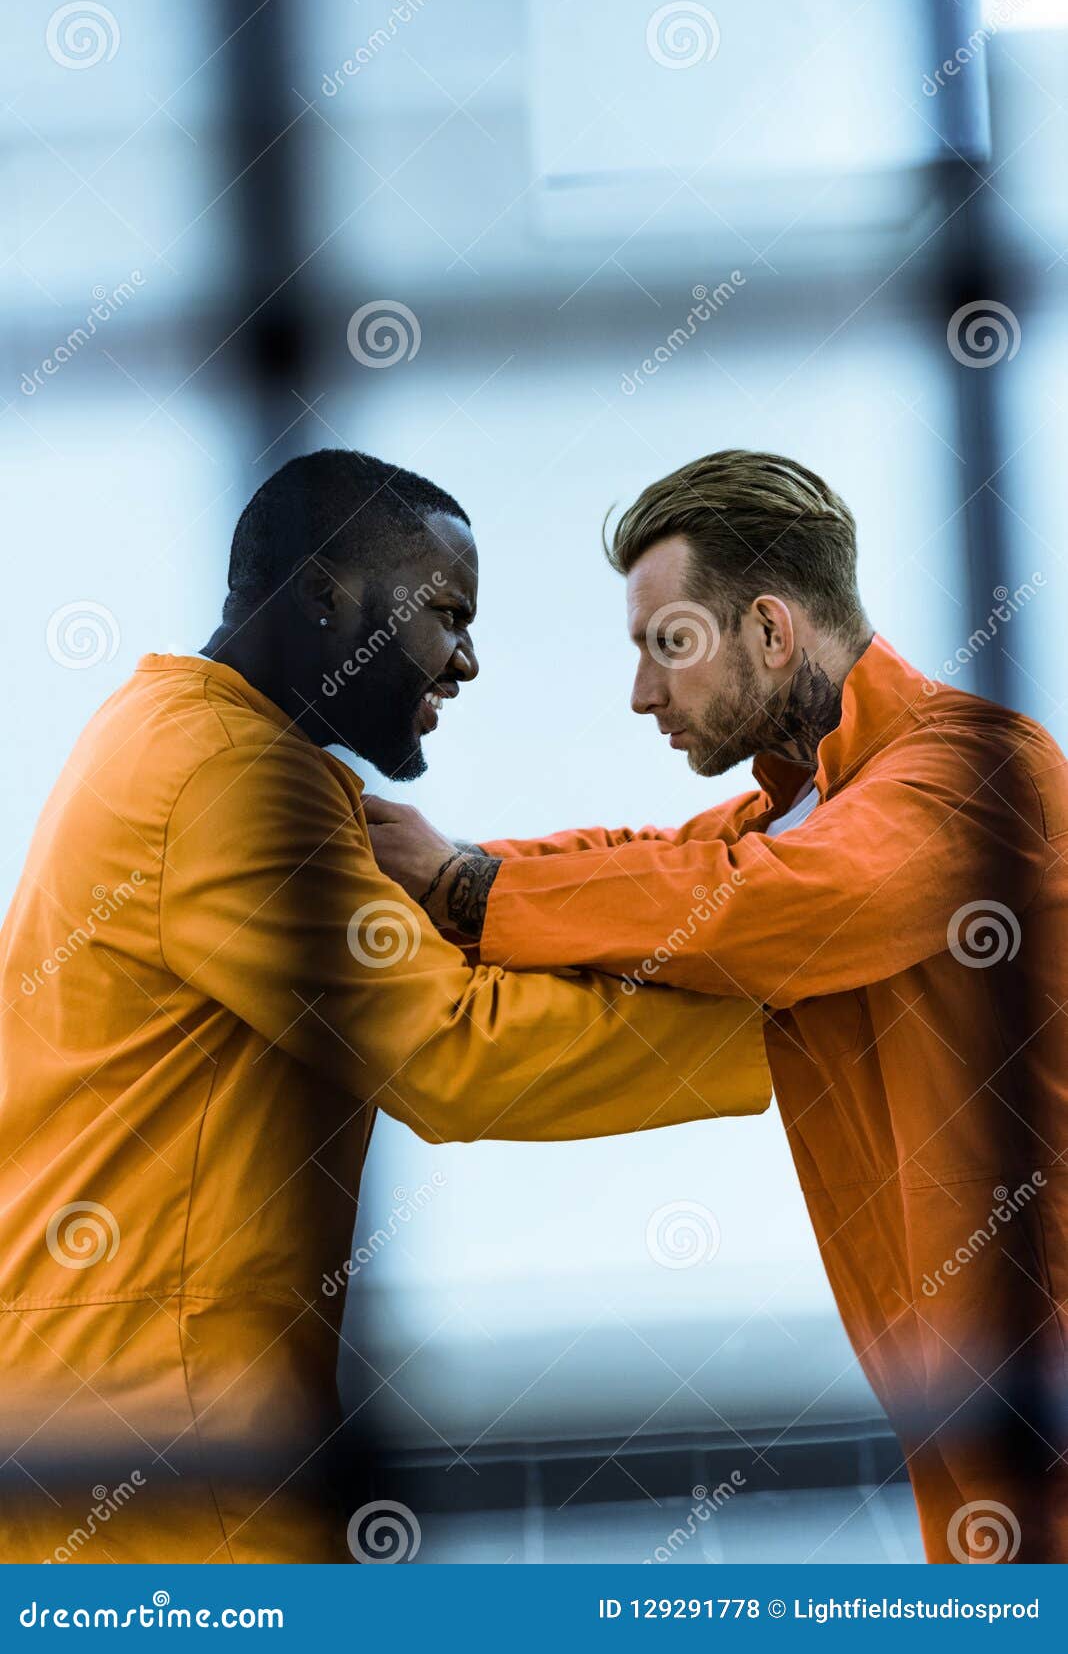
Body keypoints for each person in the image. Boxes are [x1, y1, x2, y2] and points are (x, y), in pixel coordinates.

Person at [0, 450, 770, 1565]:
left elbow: (426, 976)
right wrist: (802, 1035)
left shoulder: (168, 730)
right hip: (157, 1437)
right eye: (447, 614)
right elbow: (458, 1054)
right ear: (325, 597)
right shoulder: (230, 777)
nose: (465, 661)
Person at [366, 448, 1068, 1565]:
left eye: (668, 645)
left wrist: (470, 888)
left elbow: (779, 902)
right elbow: (647, 860)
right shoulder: (813, 808)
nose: (644, 691)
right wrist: (433, 866)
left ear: (774, 631)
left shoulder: (973, 768)